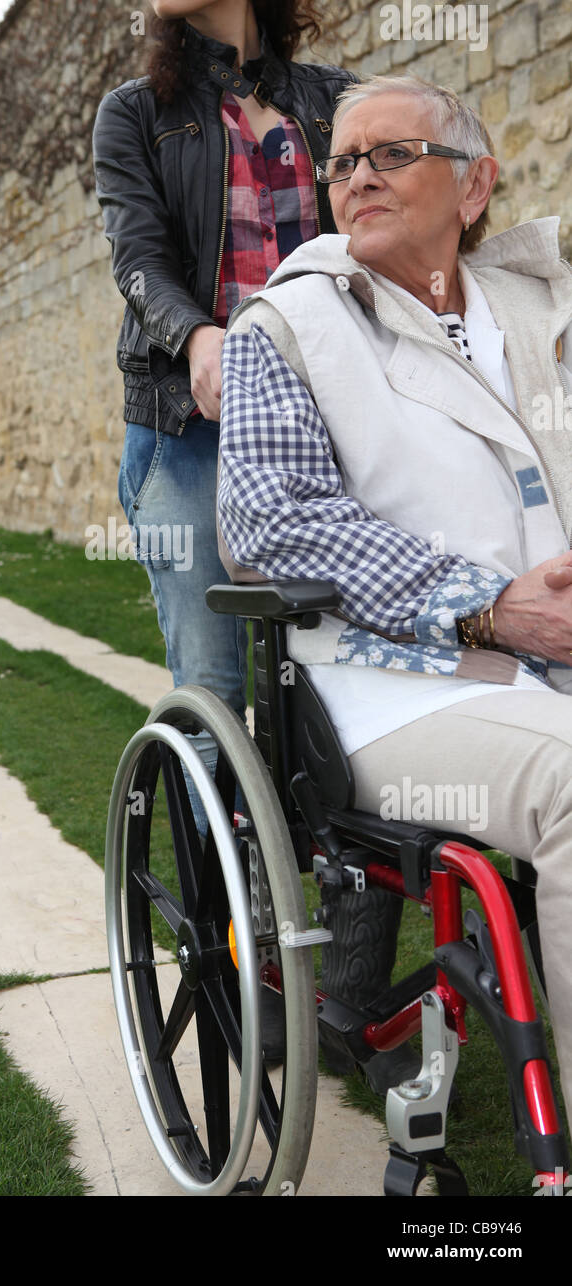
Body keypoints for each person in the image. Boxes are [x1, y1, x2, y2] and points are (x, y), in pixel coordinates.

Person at [91, 0, 416, 1080]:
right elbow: (136, 251)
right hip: (185, 434)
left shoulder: (333, 105)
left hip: (327, 442)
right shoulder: (136, 115)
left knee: (356, 697)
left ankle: (340, 1000)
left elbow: (386, 237)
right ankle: (225, 972)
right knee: (217, 704)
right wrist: (196, 339)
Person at [217, 72, 572, 1118]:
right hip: (397, 684)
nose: (356, 177)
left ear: (473, 188)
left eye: (390, 155)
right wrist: (484, 605)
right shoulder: (285, 329)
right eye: (340, 161)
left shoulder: (541, 309)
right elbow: (273, 521)